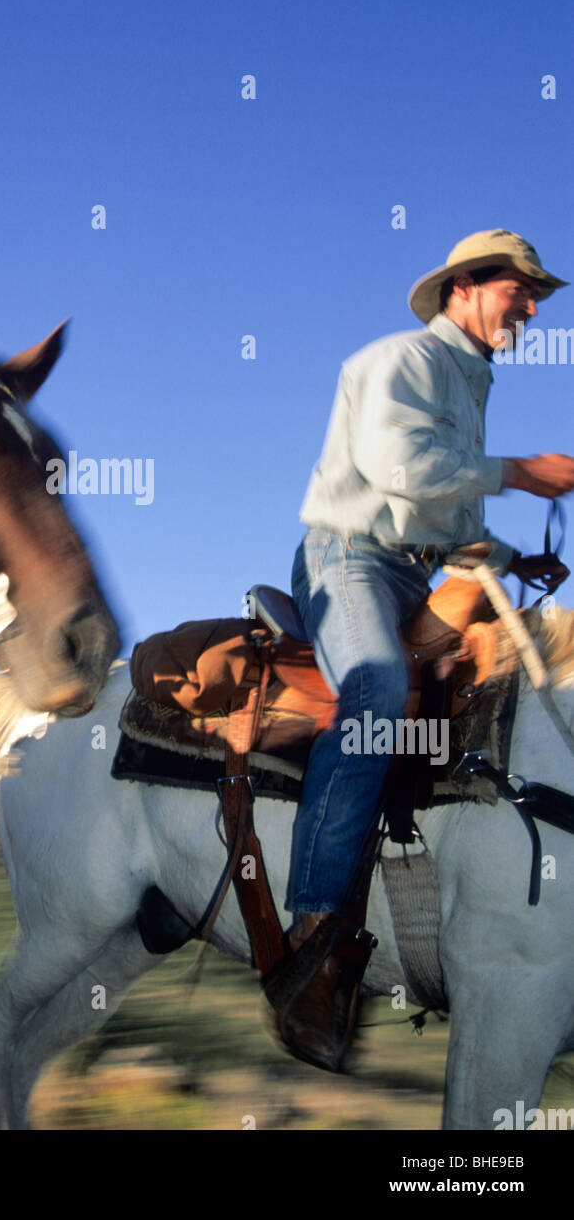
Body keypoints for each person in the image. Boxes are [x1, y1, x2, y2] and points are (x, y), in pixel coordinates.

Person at [265, 229, 574, 1072]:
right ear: (466, 287)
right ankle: (315, 936)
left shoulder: (470, 385)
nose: (534, 308)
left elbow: (455, 518)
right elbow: (399, 467)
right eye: (521, 289)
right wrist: (522, 471)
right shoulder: (400, 359)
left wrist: (518, 560)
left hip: (417, 568)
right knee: (375, 693)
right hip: (349, 557)